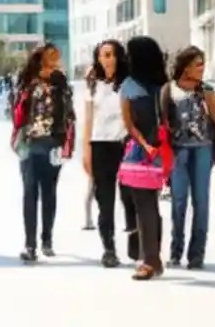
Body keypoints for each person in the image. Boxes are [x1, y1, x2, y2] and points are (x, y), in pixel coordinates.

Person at [164, 46, 215, 270]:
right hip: (178, 152)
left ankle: (197, 254)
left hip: (202, 150)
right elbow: (163, 125)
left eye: (203, 64)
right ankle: (175, 252)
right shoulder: (169, 91)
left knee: (201, 202)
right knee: (178, 202)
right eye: (198, 64)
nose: (202, 68)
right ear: (185, 66)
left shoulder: (206, 91)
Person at [11, 43, 75, 263]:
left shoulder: (61, 81)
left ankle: (47, 239)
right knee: (29, 192)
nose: (56, 58)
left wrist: (68, 141)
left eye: (58, 55)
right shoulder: (27, 81)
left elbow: (69, 113)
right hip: (29, 142)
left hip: (53, 142)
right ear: (40, 57)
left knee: (49, 192)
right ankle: (30, 245)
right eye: (52, 55)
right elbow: (16, 110)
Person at [119, 36, 171, 280]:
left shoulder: (129, 86)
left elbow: (129, 124)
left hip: (143, 153)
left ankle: (150, 259)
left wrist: (145, 145)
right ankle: (153, 257)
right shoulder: (166, 85)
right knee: (152, 205)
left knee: (143, 204)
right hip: (166, 150)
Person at [82, 41, 136, 268]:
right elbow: (88, 119)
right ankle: (109, 249)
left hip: (124, 144)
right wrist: (86, 151)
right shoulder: (92, 86)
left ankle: (135, 243)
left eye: (112, 54)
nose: (108, 59)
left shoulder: (128, 84)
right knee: (105, 201)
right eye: (104, 55)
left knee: (129, 198)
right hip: (100, 145)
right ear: (99, 58)